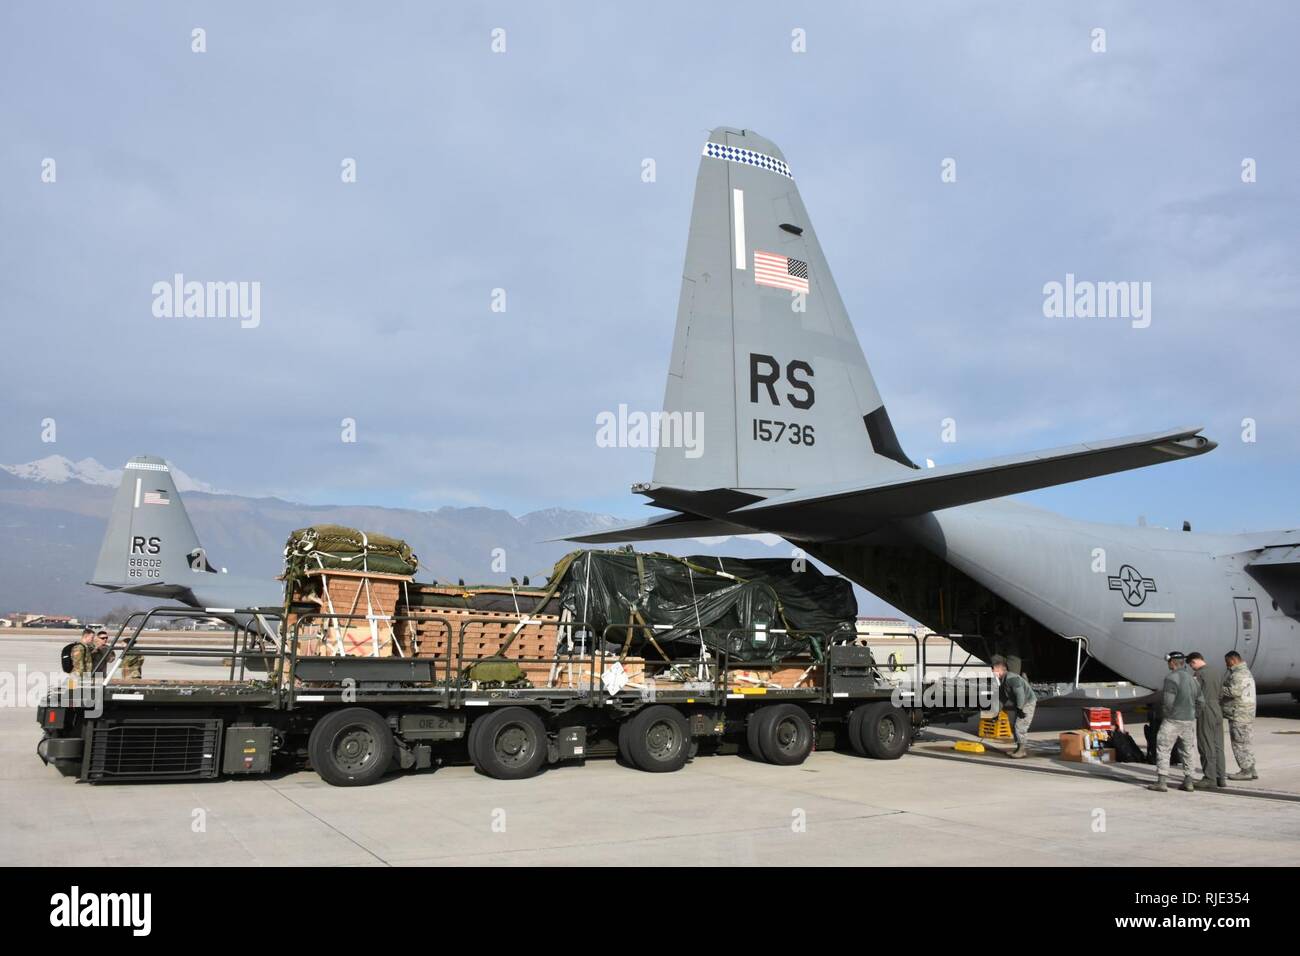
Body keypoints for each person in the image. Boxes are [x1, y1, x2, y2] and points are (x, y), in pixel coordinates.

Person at [1147, 652, 1202, 792]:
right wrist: (1193, 715)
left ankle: (1162, 781)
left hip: (1173, 720)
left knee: (1163, 748)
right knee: (1188, 750)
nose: (1168, 664)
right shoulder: (1193, 679)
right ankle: (1189, 781)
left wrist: (1167, 716)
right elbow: (1201, 701)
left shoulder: (1171, 678)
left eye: (1169, 661)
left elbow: (1168, 702)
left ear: (1173, 663)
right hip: (1188, 720)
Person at [1187, 652, 1226, 790]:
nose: (1192, 668)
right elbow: (1222, 693)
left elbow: (1195, 694)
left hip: (1205, 709)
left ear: (1194, 662)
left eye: (1191, 665)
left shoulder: (1198, 674)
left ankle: (1210, 778)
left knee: (1205, 743)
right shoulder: (1217, 671)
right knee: (1218, 744)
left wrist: (1194, 713)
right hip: (1217, 708)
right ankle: (1221, 777)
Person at [1221, 650, 1258, 781]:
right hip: (1246, 714)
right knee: (1246, 742)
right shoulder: (1246, 672)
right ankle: (1251, 768)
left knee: (1239, 744)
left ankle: (1245, 771)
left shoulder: (1238, 674)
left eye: (1227, 662)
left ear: (1232, 660)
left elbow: (1234, 692)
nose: (1227, 665)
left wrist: (1219, 687)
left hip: (1239, 715)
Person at [990, 655, 1036, 758]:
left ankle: (1022, 750)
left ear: (1000, 670)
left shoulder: (1012, 679)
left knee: (1020, 726)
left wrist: (1020, 709)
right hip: (1021, 703)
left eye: (994, 670)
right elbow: (1001, 698)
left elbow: (1020, 694)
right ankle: (1018, 748)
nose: (993, 673)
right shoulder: (1003, 681)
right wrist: (996, 713)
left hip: (1027, 702)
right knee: (1016, 725)